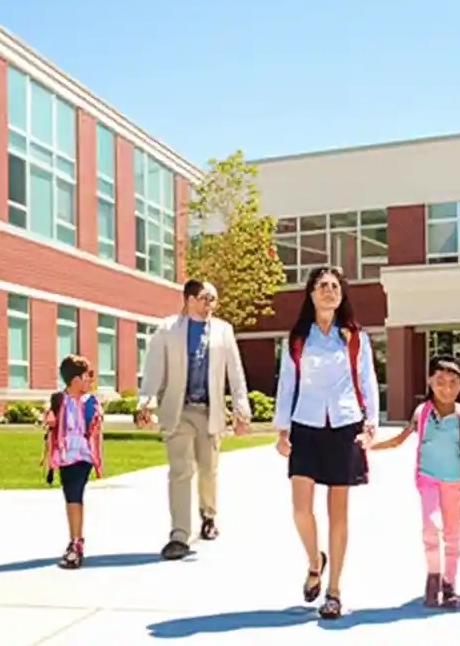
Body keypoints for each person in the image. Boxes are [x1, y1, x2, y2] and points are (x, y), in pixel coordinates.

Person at [272, 265, 381, 620]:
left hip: (345, 426)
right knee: (300, 510)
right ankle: (314, 560)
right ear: (311, 293)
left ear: (341, 294)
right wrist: (282, 429)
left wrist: (371, 425)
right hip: (305, 425)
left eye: (335, 286)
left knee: (339, 515)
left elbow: (367, 381)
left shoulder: (353, 337)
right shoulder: (298, 338)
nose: (329, 291)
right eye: (322, 286)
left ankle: (333, 591)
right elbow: (287, 384)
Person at [135, 280, 253, 560]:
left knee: (208, 471)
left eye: (213, 299)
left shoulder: (224, 331)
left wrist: (241, 410)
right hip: (178, 411)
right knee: (180, 471)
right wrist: (146, 402)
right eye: (204, 298)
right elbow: (153, 370)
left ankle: (208, 515)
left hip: (209, 412)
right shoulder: (167, 329)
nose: (209, 304)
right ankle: (179, 535)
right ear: (188, 299)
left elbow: (235, 373)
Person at [372, 354, 460, 608]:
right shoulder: (422, 412)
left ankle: (449, 582)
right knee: (431, 528)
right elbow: (399, 439)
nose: (446, 388)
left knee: (452, 533)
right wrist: (369, 447)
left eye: (453, 383)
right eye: (440, 382)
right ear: (430, 382)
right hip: (427, 479)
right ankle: (433, 577)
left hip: (454, 482)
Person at [42, 354, 104, 570]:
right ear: (75, 379)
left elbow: (96, 421)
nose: (91, 381)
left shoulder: (91, 401)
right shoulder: (59, 400)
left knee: (75, 493)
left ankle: (76, 542)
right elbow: (50, 417)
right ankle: (76, 540)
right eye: (88, 376)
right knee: (71, 496)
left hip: (84, 455)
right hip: (66, 455)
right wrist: (48, 418)